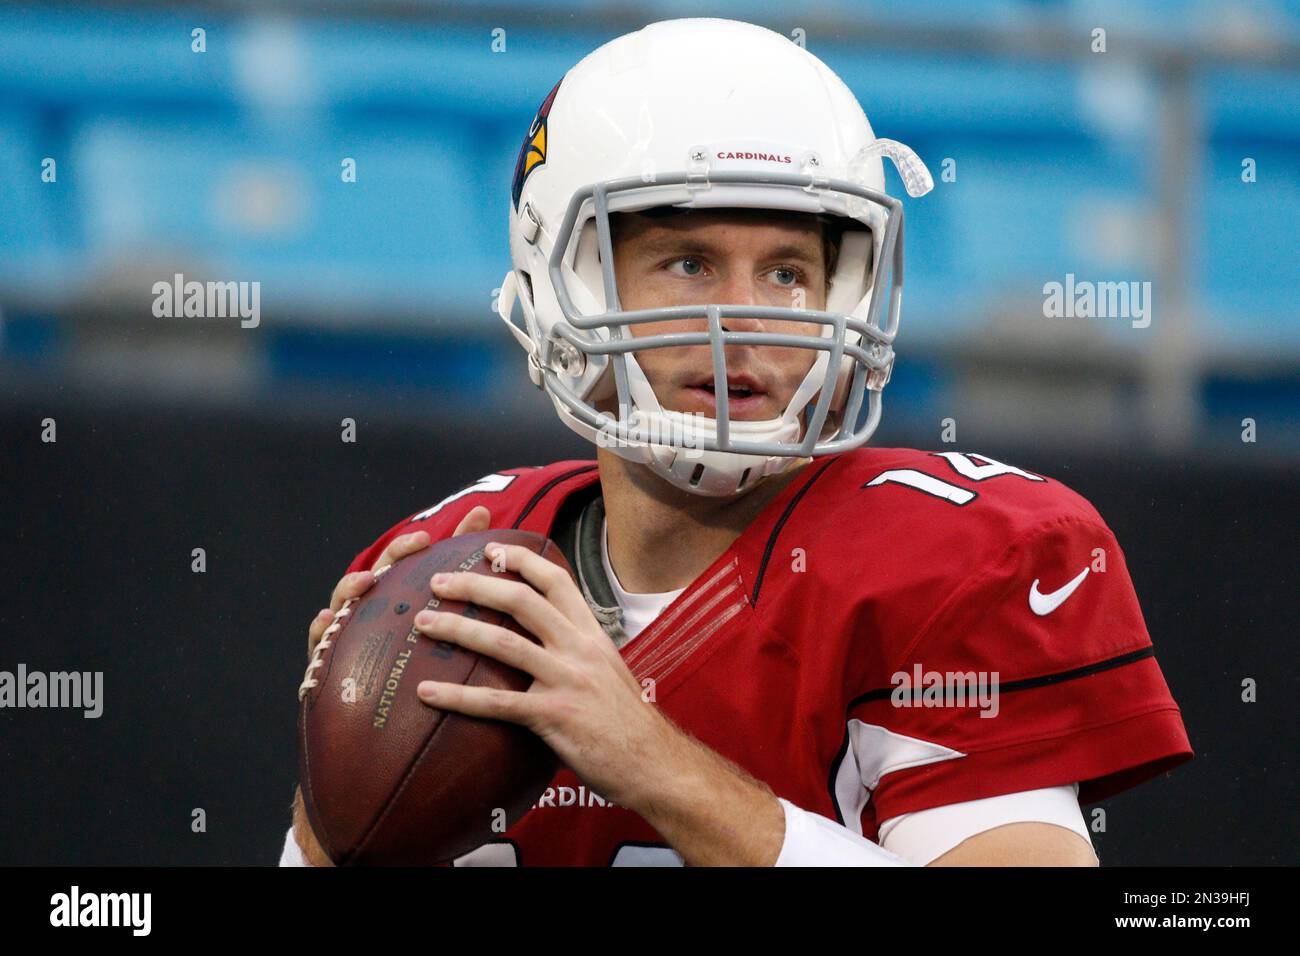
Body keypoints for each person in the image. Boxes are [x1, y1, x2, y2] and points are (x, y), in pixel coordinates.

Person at [281, 18, 1191, 867]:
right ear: (561, 278)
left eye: (789, 272)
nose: (744, 322)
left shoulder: (952, 561)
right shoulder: (460, 564)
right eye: (688, 263)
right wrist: (337, 813)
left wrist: (653, 764)